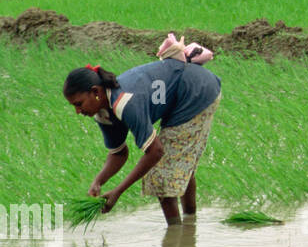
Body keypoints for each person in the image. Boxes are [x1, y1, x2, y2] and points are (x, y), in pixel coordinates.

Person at [63, 50, 222, 226]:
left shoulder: (125, 103)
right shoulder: (102, 114)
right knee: (177, 164)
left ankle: (177, 234)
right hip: (183, 93)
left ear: (95, 92)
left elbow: (155, 151)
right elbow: (118, 154)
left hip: (196, 90)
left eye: (79, 104)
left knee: (161, 175)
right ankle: (189, 225)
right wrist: (98, 181)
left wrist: (118, 191)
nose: (78, 111)